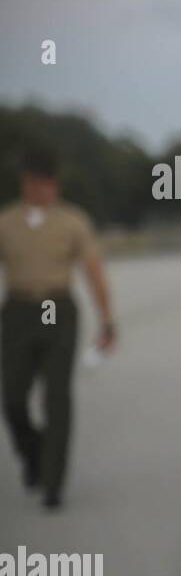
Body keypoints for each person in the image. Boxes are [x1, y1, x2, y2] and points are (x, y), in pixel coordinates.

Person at [0, 145, 116, 510]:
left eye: (49, 182)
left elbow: (93, 270)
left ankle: (52, 482)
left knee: (56, 397)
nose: (44, 189)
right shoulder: (6, 223)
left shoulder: (72, 222)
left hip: (55, 308)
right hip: (18, 309)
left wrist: (107, 319)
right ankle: (33, 453)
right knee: (13, 398)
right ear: (25, 183)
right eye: (37, 181)